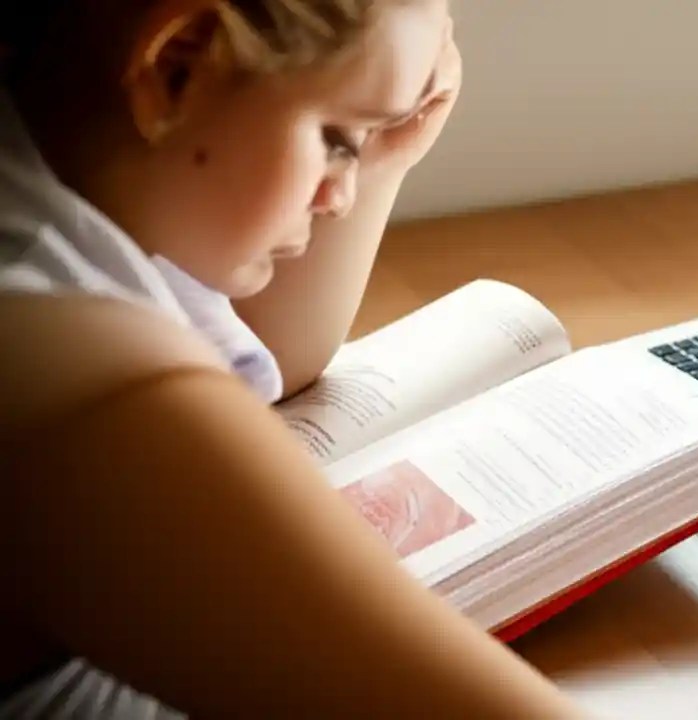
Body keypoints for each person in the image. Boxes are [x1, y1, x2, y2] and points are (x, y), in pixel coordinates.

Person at [0, 1, 585, 717]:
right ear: (179, 66)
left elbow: (272, 354)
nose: (337, 199)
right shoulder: (79, 387)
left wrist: (377, 152)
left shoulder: (38, 227)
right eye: (338, 138)